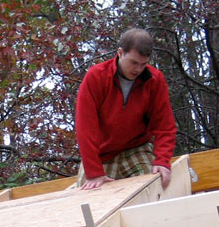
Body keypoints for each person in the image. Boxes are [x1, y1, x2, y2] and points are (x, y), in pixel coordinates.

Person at [75, 28, 176, 190]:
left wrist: (162, 161)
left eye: (143, 64)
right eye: (134, 63)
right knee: (88, 197)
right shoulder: (96, 76)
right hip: (102, 154)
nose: (138, 69)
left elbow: (165, 125)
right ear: (120, 53)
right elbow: (85, 127)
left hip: (137, 147)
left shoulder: (154, 80)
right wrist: (94, 171)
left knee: (154, 186)